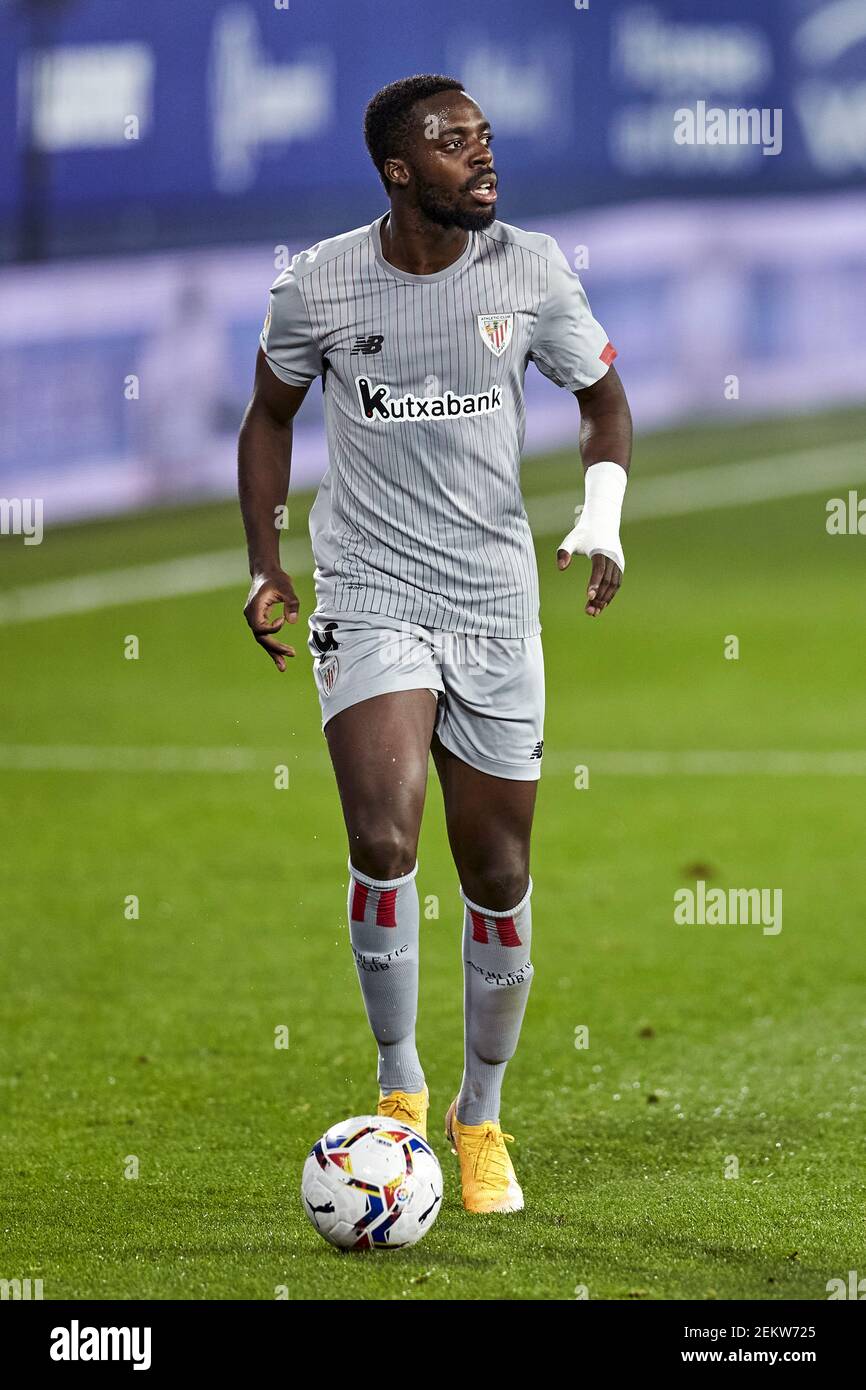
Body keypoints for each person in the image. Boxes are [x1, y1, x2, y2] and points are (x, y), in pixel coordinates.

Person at [238, 74, 632, 1214]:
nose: (481, 157)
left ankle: (480, 1114)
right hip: (368, 588)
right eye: (453, 143)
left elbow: (602, 400)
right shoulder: (317, 284)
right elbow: (267, 418)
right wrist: (266, 562)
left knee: (498, 872)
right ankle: (398, 1087)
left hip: (496, 601)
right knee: (380, 827)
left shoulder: (532, 270)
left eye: (485, 139)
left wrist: (597, 515)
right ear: (398, 170)